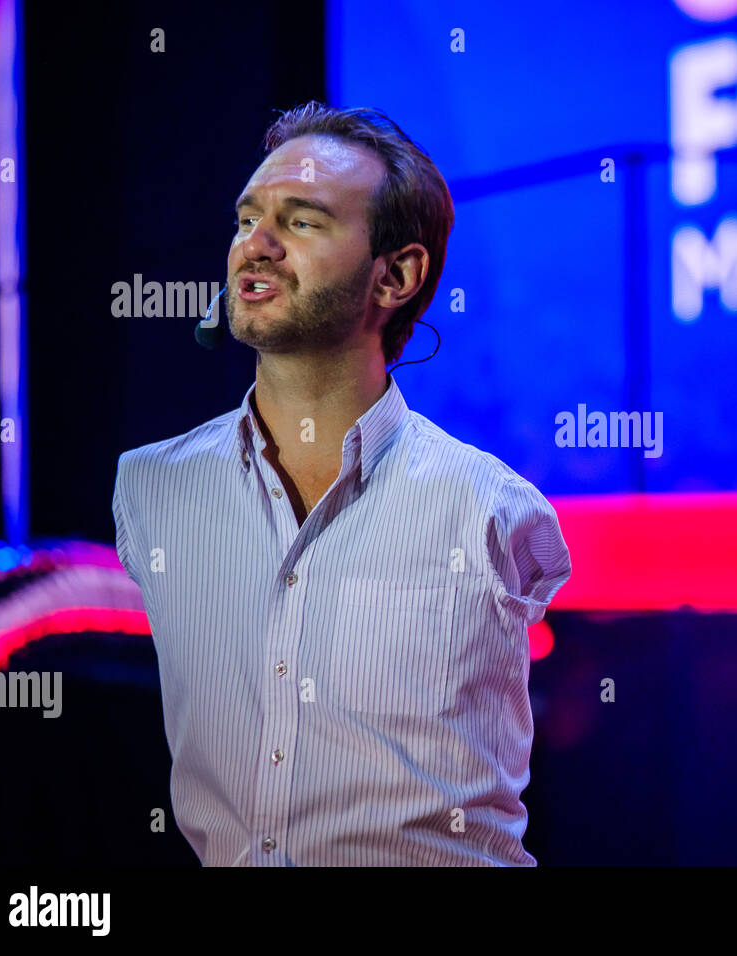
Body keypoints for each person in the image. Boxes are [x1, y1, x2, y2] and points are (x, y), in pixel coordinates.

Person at [111, 102, 571, 866]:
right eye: (246, 218)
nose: (253, 246)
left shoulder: (487, 508)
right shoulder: (153, 490)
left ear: (395, 274)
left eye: (301, 223)